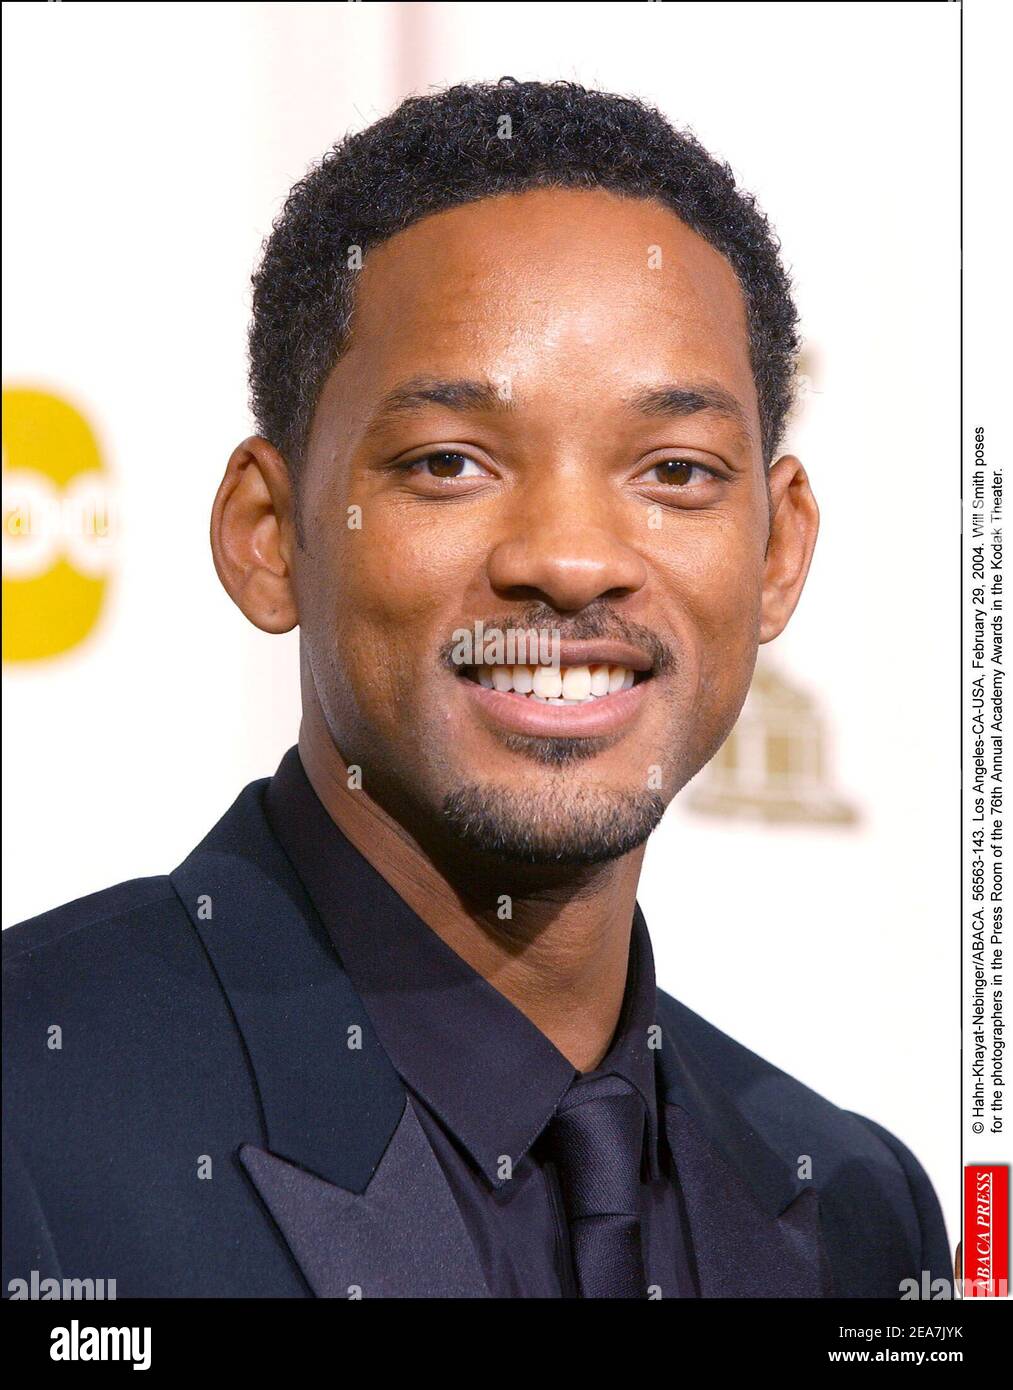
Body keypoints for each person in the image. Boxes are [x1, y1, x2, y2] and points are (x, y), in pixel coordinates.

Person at [3, 79, 949, 1299]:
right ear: (269, 532)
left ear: (775, 555)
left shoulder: (864, 1218)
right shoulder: (32, 1109)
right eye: (449, 462)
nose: (568, 557)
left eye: (673, 469)